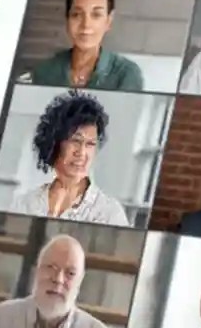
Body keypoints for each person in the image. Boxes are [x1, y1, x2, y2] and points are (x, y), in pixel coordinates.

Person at [9, 90, 131, 226]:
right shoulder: (25, 204)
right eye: (75, 141)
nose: (82, 152)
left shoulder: (109, 213)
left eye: (90, 144)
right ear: (55, 143)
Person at [23, 0, 145, 91]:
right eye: (77, 15)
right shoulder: (45, 71)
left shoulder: (126, 75)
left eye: (96, 14)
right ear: (67, 19)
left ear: (108, 21)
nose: (86, 25)